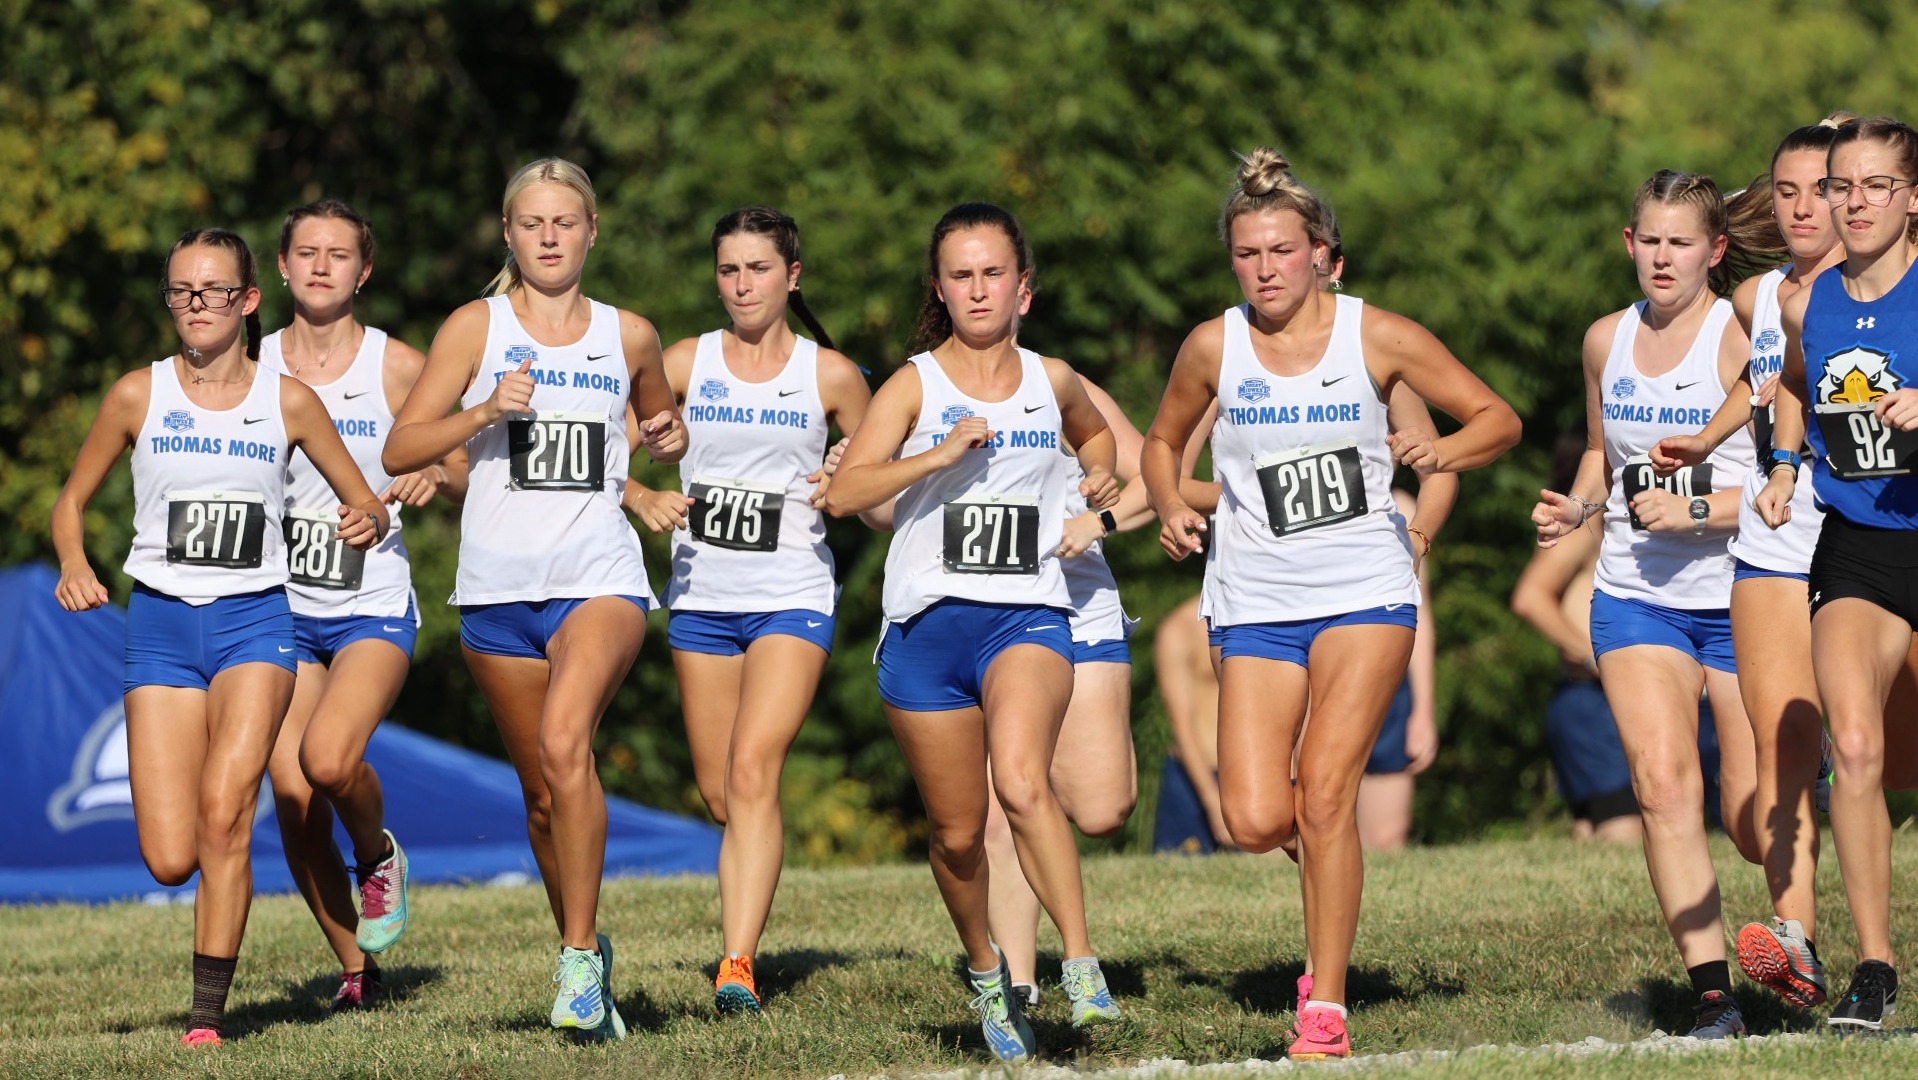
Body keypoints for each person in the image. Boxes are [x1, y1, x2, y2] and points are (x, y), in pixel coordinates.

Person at [1143, 148, 1520, 1060]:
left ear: (1322, 254)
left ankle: (1327, 1005)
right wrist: (1165, 505)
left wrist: (1440, 464)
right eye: (1246, 253)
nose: (1264, 268)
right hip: (1254, 595)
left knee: (1325, 795)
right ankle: (1332, 902)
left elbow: (1496, 419)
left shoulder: (1377, 336)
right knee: (1255, 818)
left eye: (1280, 249)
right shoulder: (1212, 345)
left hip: (1365, 590)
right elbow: (1161, 442)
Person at [50, 228, 387, 1046]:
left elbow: (367, 503)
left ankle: (207, 1020)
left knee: (225, 811)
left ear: (246, 301)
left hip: (255, 626)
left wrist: (365, 518)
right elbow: (68, 505)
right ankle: (327, 949)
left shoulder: (289, 401)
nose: (195, 305)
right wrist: (72, 561)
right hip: (161, 628)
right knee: (170, 856)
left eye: (212, 291)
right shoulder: (139, 394)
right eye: (180, 291)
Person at [383, 157, 686, 1040]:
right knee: (546, 796)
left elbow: (662, 430)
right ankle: (584, 956)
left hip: (599, 578)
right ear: (509, 235)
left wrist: (668, 435)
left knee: (567, 745)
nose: (549, 238)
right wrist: (481, 413)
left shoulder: (629, 335)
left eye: (565, 222)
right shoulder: (473, 328)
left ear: (592, 231)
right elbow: (404, 449)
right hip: (496, 590)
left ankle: (579, 960)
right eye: (532, 224)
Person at [826, 202, 1124, 1062]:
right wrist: (938, 454)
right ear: (940, 289)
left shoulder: (1051, 378)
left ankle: (1079, 962)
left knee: (1024, 780)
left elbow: (1096, 434)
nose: (979, 288)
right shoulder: (915, 384)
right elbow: (848, 495)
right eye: (961, 275)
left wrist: (1097, 477)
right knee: (957, 834)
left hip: (1028, 613)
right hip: (925, 630)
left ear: (1023, 288)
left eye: (994, 272)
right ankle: (988, 970)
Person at [622, 206, 872, 1014]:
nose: (742, 285)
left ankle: (737, 964)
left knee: (754, 768)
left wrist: (847, 478)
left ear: (790, 276)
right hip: (701, 599)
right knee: (724, 794)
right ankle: (749, 906)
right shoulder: (687, 361)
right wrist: (642, 495)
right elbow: (606, 450)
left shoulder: (830, 375)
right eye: (729, 270)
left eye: (758, 269)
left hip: (792, 595)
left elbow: (883, 499)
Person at [1532, 170, 1760, 1039]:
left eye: (1682, 242)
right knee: (1664, 788)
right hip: (1634, 596)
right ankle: (1713, 994)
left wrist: (1699, 508)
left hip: (1742, 591)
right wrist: (1577, 508)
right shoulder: (1605, 340)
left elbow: (1794, 478)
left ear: (1715, 251)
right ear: (1630, 244)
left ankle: (1794, 935)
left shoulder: (1742, 333)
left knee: (1746, 816)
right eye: (1650, 241)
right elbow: (1602, 455)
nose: (1664, 258)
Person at [1649, 117, 1857, 1009]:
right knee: (1780, 758)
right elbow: (1768, 384)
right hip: (1777, 531)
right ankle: (1797, 941)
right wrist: (1709, 438)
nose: (1804, 207)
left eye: (1824, 188)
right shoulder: (1758, 298)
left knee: (1868, 744)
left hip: (1872, 526)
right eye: (1788, 191)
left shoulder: (1887, 292)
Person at [257, 198, 469, 1012]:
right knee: (293, 792)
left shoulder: (397, 365)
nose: (319, 265)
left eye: (337, 254)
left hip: (369, 598)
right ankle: (356, 969)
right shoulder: (251, 362)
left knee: (331, 760)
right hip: (276, 604)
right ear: (279, 268)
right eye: (304, 251)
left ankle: (378, 854)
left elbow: (466, 465)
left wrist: (429, 473)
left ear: (363, 271)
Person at [1748, 116, 1918, 1030]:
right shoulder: (1805, 300)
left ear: (1913, 197)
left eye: (1873, 187)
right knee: (1852, 747)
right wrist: (1783, 467)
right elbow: (1796, 387)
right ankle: (1875, 970)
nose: (1851, 204)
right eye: (1838, 187)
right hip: (1861, 544)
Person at [982, 371, 1148, 1010]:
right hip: (981, 611)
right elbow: (885, 502)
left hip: (1077, 605)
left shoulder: (1062, 386)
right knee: (1005, 805)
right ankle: (1018, 983)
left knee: (1104, 809)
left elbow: (1154, 479)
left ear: (1021, 294)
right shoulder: (925, 388)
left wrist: (1097, 520)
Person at [1511, 423, 1645, 843]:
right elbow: (1530, 597)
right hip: (1589, 700)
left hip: (1597, 702)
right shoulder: (1588, 526)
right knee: (1621, 830)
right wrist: (1594, 657)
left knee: (1594, 830)